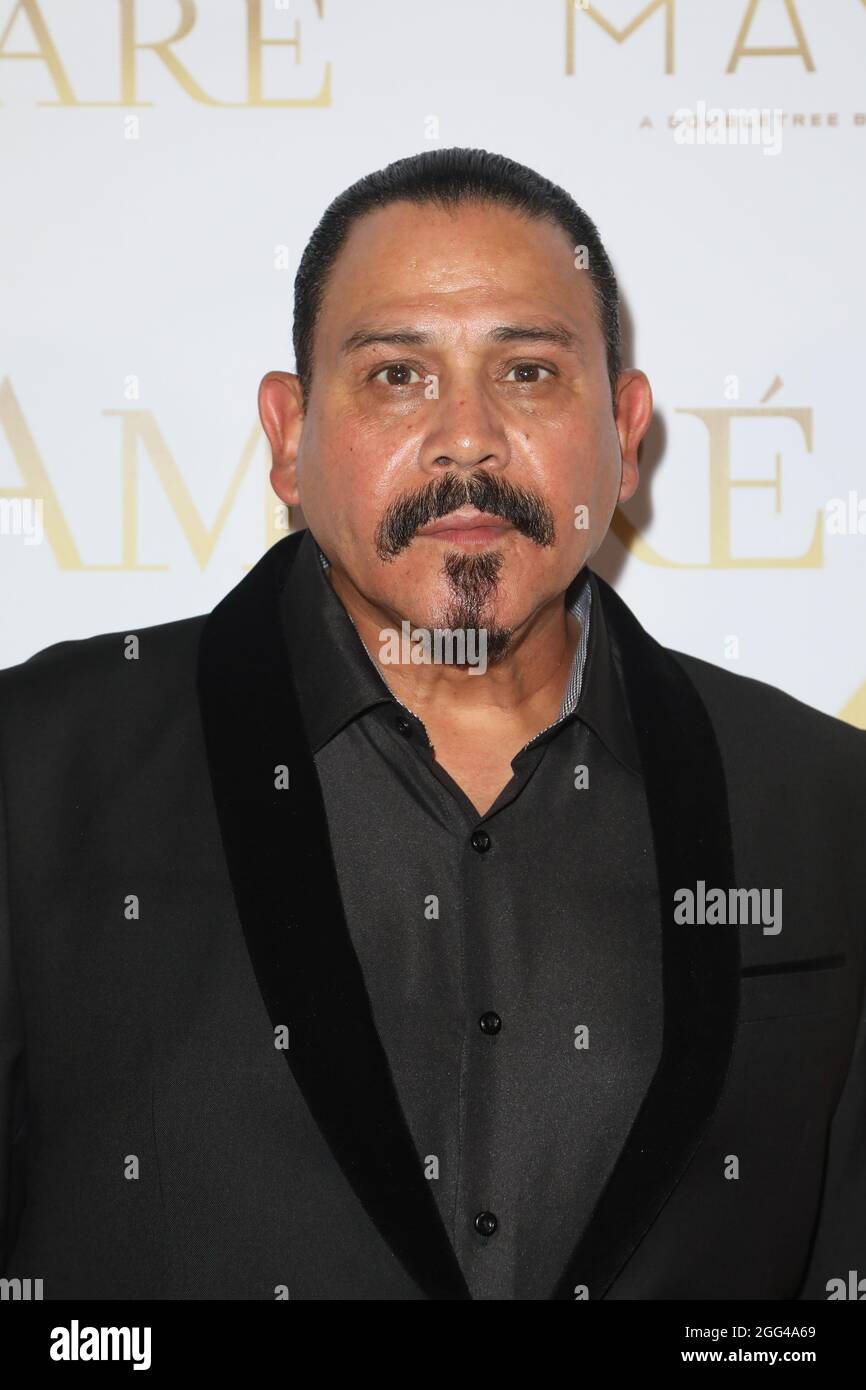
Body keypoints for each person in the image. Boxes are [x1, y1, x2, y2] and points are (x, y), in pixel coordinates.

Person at [1, 147, 864, 1302]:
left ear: (622, 428)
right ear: (288, 434)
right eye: (398, 375)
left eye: (526, 371)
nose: (467, 437)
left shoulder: (818, 800)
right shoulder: (38, 769)